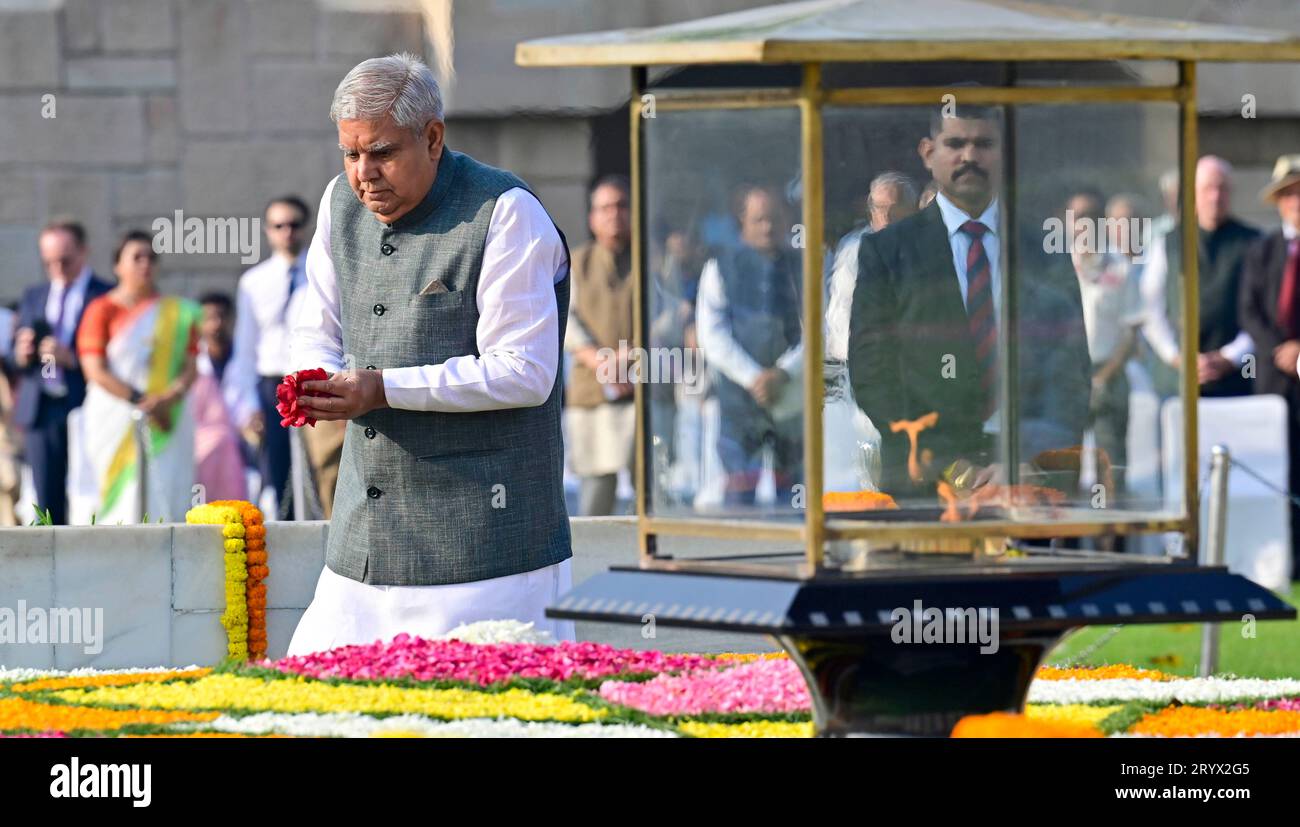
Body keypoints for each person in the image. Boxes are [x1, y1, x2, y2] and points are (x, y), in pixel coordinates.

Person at [285, 53, 574, 652]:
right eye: (349, 153)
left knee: (484, 700)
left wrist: (380, 389)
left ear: (434, 138)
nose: (364, 174)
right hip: (362, 546)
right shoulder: (338, 204)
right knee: (313, 690)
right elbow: (315, 327)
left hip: (487, 550)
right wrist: (315, 380)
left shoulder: (505, 211)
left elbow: (524, 372)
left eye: (382, 152)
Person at [848, 105, 1091, 499]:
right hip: (927, 484)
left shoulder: (1044, 249)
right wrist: (953, 468)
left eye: (984, 144)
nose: (970, 156)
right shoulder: (888, 250)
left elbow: (1070, 371)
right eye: (956, 143)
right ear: (929, 153)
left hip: (1028, 482)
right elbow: (873, 374)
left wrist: (1029, 460)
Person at [69, 231, 199, 524]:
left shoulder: (178, 313)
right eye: (137, 257)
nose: (145, 264)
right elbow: (94, 370)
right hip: (116, 414)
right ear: (118, 265)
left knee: (166, 492)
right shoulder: (101, 309)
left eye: (151, 258)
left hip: (168, 416)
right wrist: (143, 401)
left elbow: (191, 366)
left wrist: (167, 400)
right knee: (118, 497)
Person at [695, 185, 804, 505]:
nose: (768, 227)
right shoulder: (719, 267)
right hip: (738, 403)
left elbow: (820, 327)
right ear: (742, 221)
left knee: (795, 499)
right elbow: (711, 334)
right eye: (759, 219)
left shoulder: (804, 266)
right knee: (738, 498)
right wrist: (753, 377)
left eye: (774, 218)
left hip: (791, 399)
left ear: (786, 219)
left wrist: (783, 372)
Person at [7, 220, 113, 524]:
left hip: (84, 403)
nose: (57, 269)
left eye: (65, 260)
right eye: (49, 262)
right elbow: (13, 357)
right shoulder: (34, 295)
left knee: (89, 494)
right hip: (41, 407)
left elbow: (116, 355)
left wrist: (73, 359)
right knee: (46, 500)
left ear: (83, 251)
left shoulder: (105, 295)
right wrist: (21, 352)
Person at [1142, 156, 1259, 398]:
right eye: (1208, 189)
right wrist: (1176, 356)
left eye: (1222, 188)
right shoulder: (1169, 243)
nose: (1215, 196)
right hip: (1178, 381)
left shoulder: (1253, 242)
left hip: (1239, 378)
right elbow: (1150, 306)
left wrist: (1229, 356)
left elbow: (1263, 307)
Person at [229, 195, 311, 518]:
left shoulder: (323, 271)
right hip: (271, 385)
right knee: (278, 471)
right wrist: (248, 403)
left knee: (319, 471)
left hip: (312, 382)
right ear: (268, 231)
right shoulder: (254, 282)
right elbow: (245, 348)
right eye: (279, 226)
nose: (287, 232)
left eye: (293, 224)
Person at [1239, 154, 1300, 579]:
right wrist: (1281, 349)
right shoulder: (1262, 251)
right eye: (1289, 195)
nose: (1296, 202)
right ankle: (1282, 561)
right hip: (1272, 379)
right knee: (1276, 471)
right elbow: (1249, 310)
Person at [564, 175, 635, 516]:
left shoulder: (654, 260)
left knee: (651, 497)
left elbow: (667, 318)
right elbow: (565, 321)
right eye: (605, 208)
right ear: (592, 217)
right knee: (595, 495)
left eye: (621, 206)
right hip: (592, 391)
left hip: (642, 390)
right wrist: (602, 363)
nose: (614, 214)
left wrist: (629, 357)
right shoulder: (575, 263)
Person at [193, 293, 249, 502]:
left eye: (221, 317)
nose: (216, 324)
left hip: (245, 439)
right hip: (205, 445)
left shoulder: (246, 358)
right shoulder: (192, 364)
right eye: (209, 318)